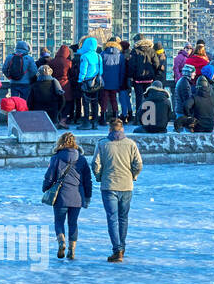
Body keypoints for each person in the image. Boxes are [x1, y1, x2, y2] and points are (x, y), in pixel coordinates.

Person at [92, 119, 142, 262]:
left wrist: (99, 177)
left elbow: (95, 164)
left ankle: (117, 250)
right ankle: (122, 248)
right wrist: (133, 175)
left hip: (109, 186)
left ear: (109, 130)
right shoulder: (131, 144)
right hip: (126, 186)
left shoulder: (102, 144)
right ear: (122, 129)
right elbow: (138, 164)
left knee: (112, 219)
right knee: (123, 218)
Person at [42, 132, 92, 260]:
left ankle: (61, 242)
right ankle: (72, 250)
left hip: (61, 196)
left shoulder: (56, 157)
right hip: (77, 196)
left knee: (59, 221)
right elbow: (87, 179)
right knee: (73, 223)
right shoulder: (81, 159)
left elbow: (49, 176)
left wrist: (45, 188)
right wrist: (87, 196)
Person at [127, 34, 162, 111]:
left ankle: (139, 117)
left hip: (138, 79)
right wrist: (154, 75)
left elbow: (131, 66)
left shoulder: (134, 51)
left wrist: (130, 76)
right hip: (149, 79)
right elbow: (156, 64)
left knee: (139, 98)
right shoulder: (152, 50)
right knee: (149, 98)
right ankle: (148, 118)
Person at [75, 37, 102, 130]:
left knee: (85, 103)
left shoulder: (84, 56)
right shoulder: (99, 56)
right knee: (95, 103)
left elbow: (83, 70)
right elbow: (101, 71)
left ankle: (86, 123)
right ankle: (95, 123)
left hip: (86, 82)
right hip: (96, 82)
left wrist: (80, 80)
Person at [99, 38, 126, 124]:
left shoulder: (102, 54)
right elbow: (122, 71)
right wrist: (120, 82)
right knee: (114, 100)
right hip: (116, 81)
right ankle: (116, 118)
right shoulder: (121, 56)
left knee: (104, 100)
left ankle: (103, 118)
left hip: (104, 81)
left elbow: (100, 69)